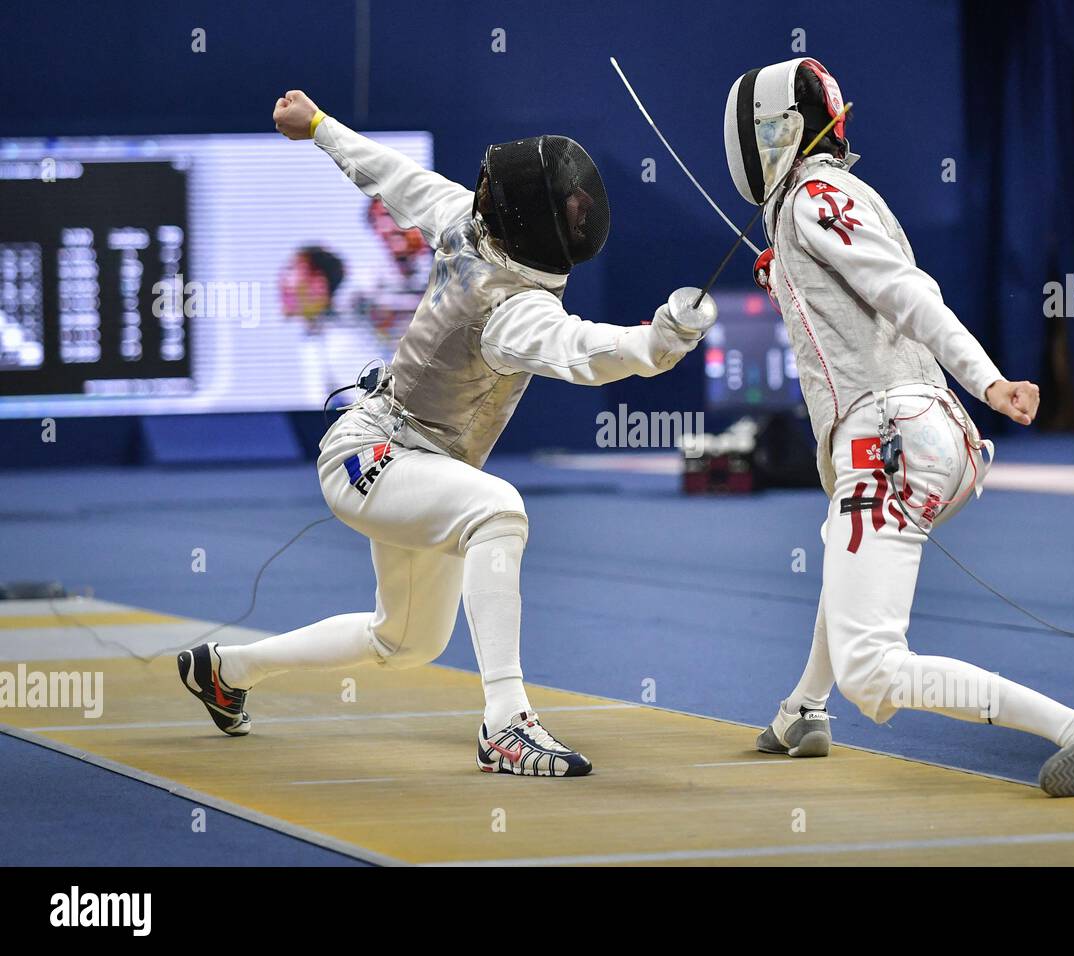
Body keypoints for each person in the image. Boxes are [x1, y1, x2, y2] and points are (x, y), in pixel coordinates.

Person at [177, 89, 717, 777]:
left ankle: (226, 671)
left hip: (417, 466)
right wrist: (660, 344)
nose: (487, 186)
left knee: (403, 639)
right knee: (497, 509)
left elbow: (391, 176)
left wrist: (317, 125)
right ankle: (505, 723)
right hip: (372, 454)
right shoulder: (495, 275)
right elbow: (590, 352)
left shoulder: (488, 258)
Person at [725, 59, 1074, 796]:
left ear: (775, 131)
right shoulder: (828, 198)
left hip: (889, 442)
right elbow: (868, 297)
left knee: (876, 671)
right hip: (925, 436)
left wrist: (987, 379)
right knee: (840, 545)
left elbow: (907, 293)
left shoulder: (812, 198)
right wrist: (790, 277)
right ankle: (804, 709)